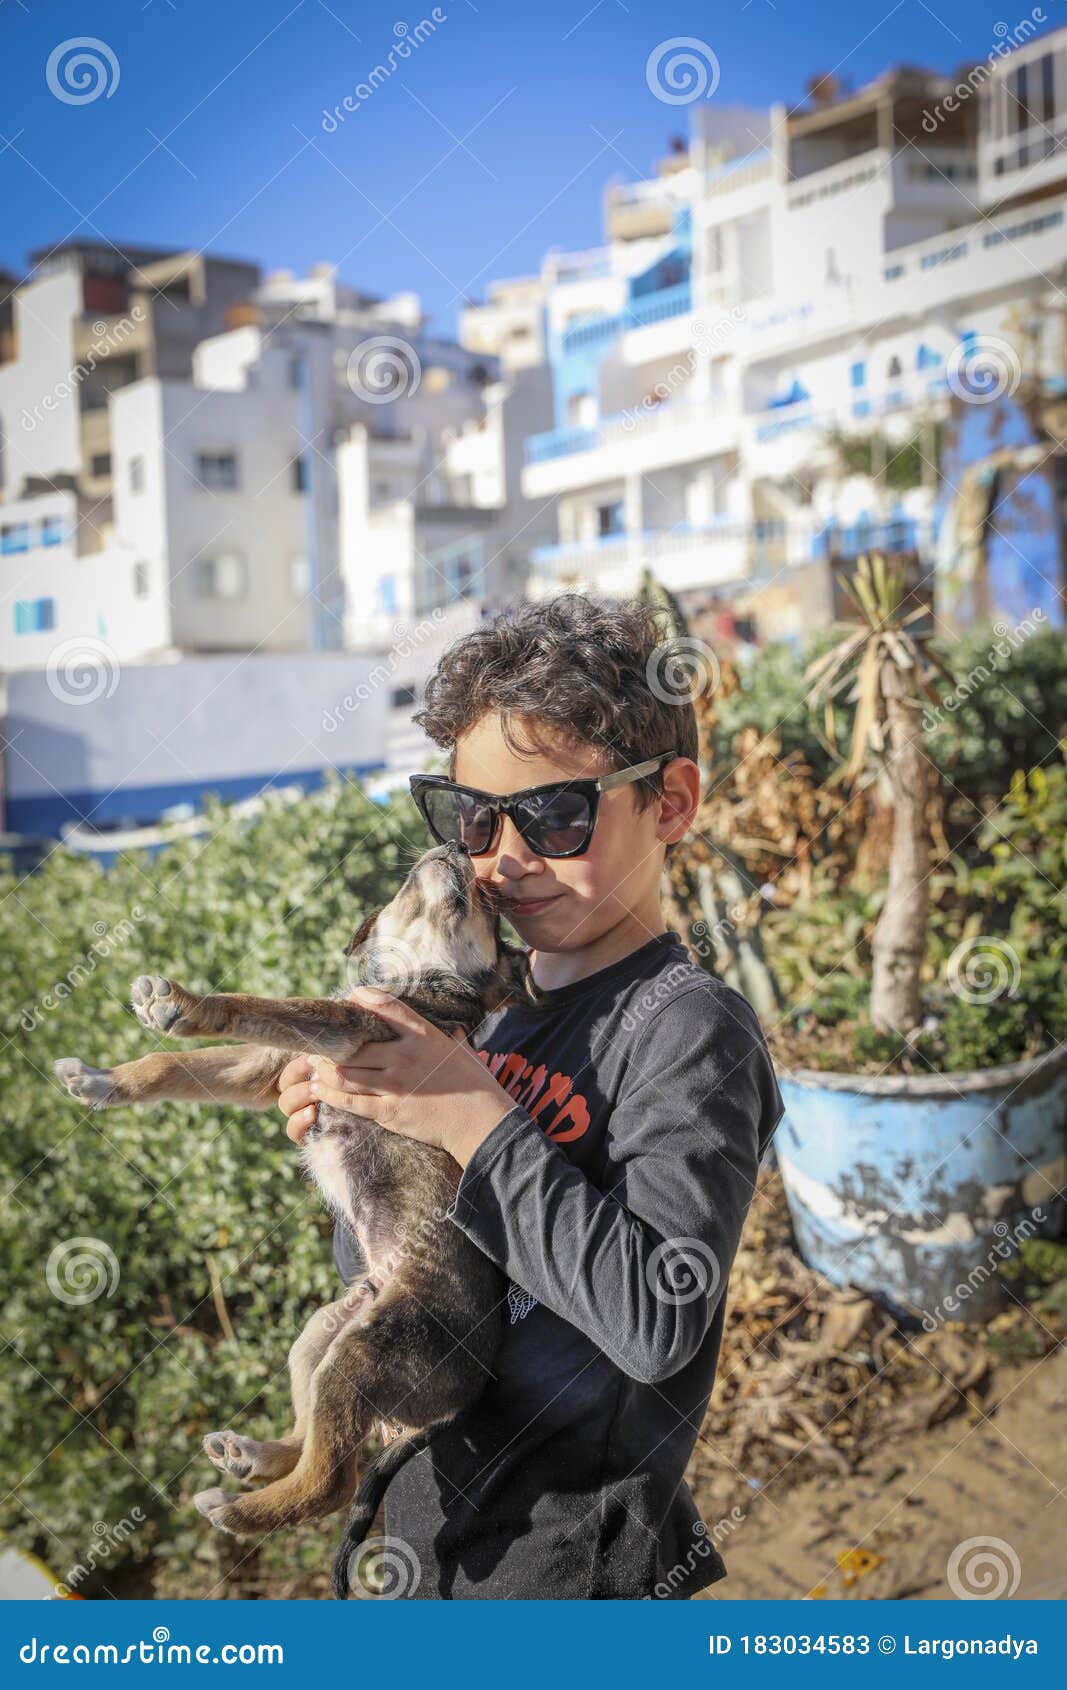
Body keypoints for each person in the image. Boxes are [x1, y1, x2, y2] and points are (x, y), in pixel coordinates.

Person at [277, 592, 784, 1599]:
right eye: (471, 816)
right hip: (424, 1535)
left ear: (670, 802)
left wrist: (472, 1119)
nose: (503, 857)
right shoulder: (487, 1014)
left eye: (555, 813)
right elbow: (407, 1274)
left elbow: (656, 1318)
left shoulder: (688, 1032)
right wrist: (363, 1136)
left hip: (567, 1568)